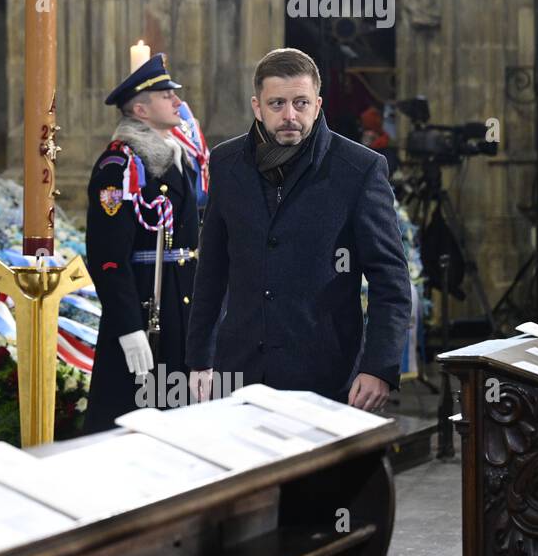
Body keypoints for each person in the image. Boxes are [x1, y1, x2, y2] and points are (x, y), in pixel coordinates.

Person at [185, 48, 410, 411]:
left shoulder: (359, 169)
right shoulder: (227, 163)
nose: (290, 115)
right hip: (240, 374)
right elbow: (211, 270)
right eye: (277, 104)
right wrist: (200, 358)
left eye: (301, 103)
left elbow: (391, 280)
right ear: (257, 107)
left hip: (327, 376)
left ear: (318, 105)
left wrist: (379, 368)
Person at [84, 53, 200, 431]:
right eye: (167, 96)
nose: (179, 103)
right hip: (145, 306)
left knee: (177, 420)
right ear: (141, 109)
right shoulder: (120, 166)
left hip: (179, 305)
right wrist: (127, 326)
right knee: (129, 419)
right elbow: (108, 257)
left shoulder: (177, 156)